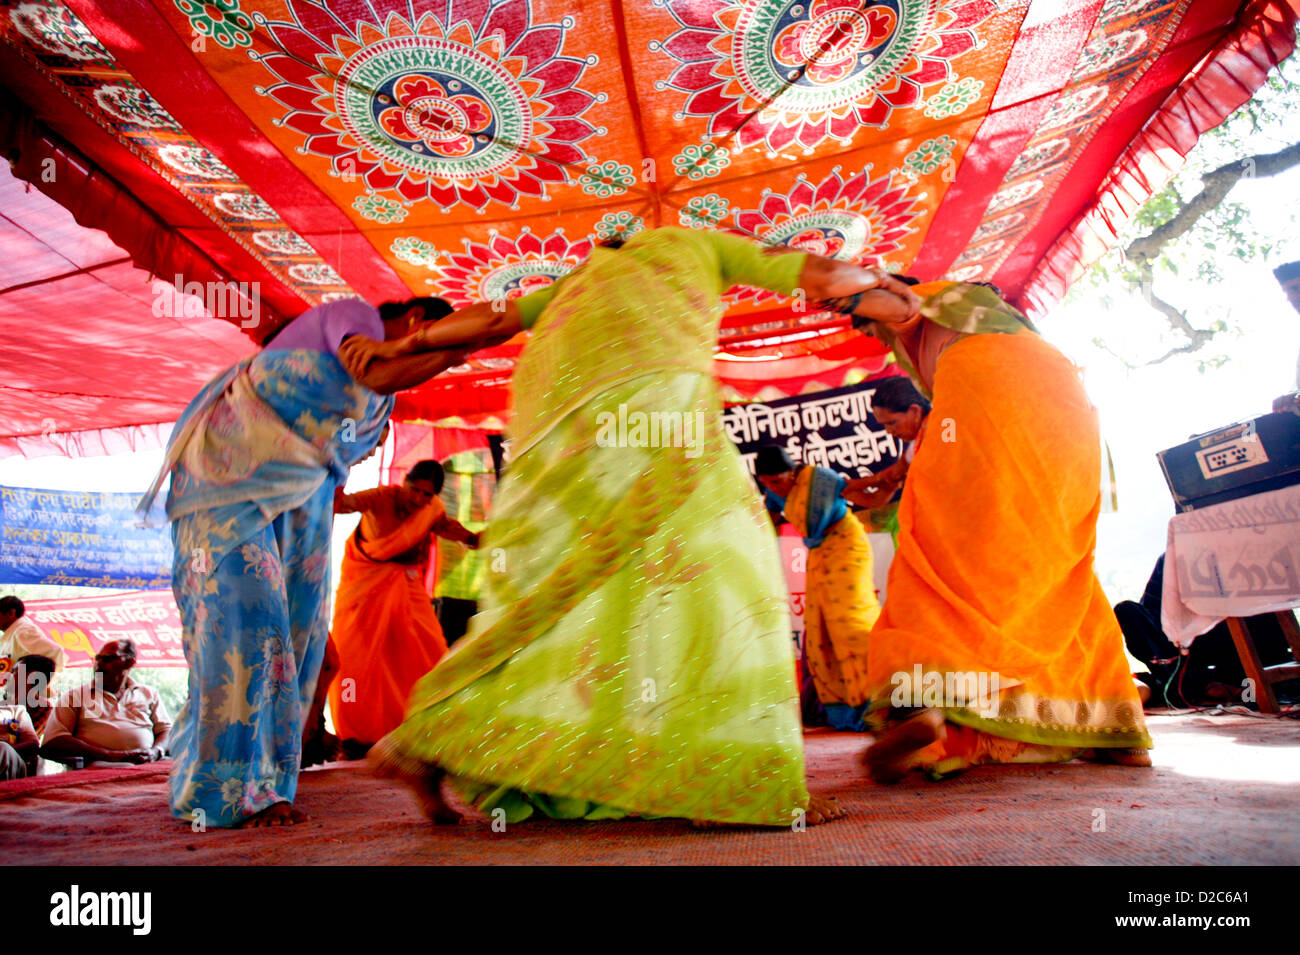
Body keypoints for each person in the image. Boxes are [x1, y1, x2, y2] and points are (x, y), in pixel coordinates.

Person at [343, 228, 914, 827]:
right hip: (652, 403)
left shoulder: (577, 280)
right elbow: (825, 278)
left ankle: (432, 741)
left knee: (558, 592)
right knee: (721, 566)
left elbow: (492, 321)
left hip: (548, 425)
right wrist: (885, 289)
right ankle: (725, 778)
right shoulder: (695, 243)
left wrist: (400, 345)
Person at [139, 295, 473, 828]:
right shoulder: (358, 322)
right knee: (245, 622)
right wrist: (473, 339)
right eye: (437, 337)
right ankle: (220, 790)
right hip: (231, 476)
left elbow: (349, 441)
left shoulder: (382, 402)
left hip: (304, 490)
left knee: (297, 637)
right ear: (416, 322)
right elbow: (374, 369)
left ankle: (268, 785)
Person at [846, 279, 1152, 780]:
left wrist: (820, 281)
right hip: (1066, 407)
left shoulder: (923, 304)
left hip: (986, 396)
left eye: (877, 335)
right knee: (1059, 565)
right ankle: (1115, 724)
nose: (888, 345)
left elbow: (880, 297)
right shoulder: (1002, 322)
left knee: (938, 564)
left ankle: (923, 705)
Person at [327, 459, 480, 754]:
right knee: (358, 661)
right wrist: (333, 472)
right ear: (405, 482)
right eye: (415, 490)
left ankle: (422, 729)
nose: (419, 499)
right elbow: (343, 504)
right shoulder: (380, 497)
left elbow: (445, 527)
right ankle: (356, 735)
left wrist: (472, 538)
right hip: (364, 587)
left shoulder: (431, 510)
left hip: (406, 588)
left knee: (427, 650)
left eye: (427, 494)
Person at [753, 445, 882, 732]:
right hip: (818, 553)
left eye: (777, 481)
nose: (774, 488)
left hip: (847, 545)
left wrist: (892, 478)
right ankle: (845, 713)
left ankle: (878, 704)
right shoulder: (774, 493)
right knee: (822, 629)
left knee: (850, 623)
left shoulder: (820, 479)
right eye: (766, 483)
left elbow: (869, 496)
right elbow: (767, 520)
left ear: (793, 471)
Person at [41, 640, 171, 768]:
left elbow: (166, 731)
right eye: (98, 658)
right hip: (98, 764)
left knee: (178, 772)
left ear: (129, 663)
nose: (99, 663)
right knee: (127, 768)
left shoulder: (149, 694)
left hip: (148, 763)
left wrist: (156, 751)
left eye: (108, 658)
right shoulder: (74, 696)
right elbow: (54, 741)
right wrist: (111, 755)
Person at [0, 596, 67, 674]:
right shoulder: (13, 633)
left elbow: (55, 651)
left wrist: (39, 681)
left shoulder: (22, 631)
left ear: (11, 613)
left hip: (27, 685)